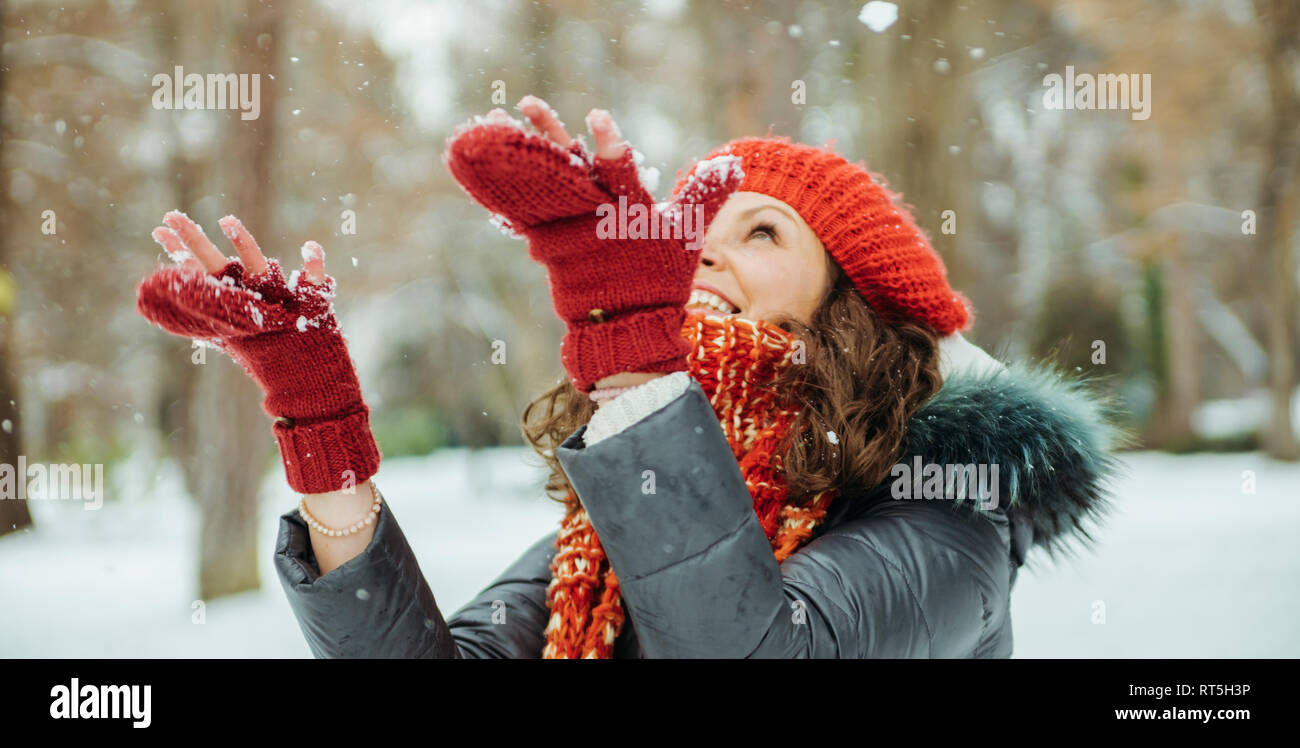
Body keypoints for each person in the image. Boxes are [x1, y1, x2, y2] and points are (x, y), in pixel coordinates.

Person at [135, 96, 1126, 658]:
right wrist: (321, 430)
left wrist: (640, 371)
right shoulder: (617, 524)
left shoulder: (948, 517)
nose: (702, 254)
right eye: (696, 231)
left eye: (763, 231)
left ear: (849, 309)